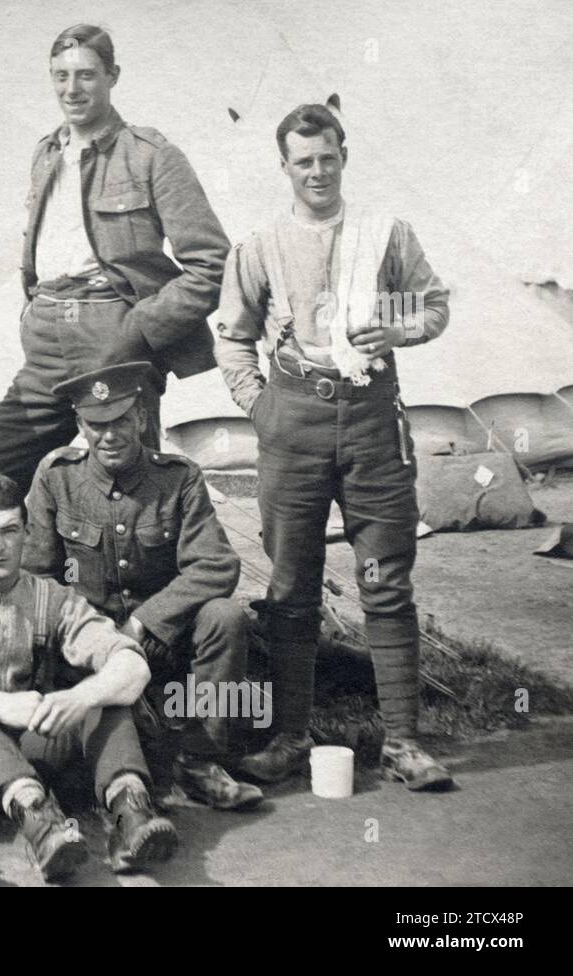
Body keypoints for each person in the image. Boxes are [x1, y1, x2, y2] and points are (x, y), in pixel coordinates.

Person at [0, 23, 230, 578]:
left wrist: (137, 333)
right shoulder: (45, 154)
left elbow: (211, 265)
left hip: (115, 344)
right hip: (45, 348)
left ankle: (139, 646)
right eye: (61, 76)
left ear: (112, 77)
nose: (72, 88)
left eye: (87, 74)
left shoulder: (151, 155)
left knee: (133, 515)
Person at [213, 102, 453, 790]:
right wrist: (259, 406)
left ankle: (404, 742)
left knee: (385, 577)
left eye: (327, 158)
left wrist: (399, 330)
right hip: (292, 415)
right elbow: (232, 333)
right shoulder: (259, 244)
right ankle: (291, 736)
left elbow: (434, 303)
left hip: (374, 416)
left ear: (344, 156)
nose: (316, 172)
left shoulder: (386, 233)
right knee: (290, 585)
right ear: (284, 167)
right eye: (302, 161)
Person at [0, 474, 177, 883]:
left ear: (27, 531)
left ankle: (131, 814)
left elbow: (132, 665)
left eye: (9, 530)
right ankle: (40, 823)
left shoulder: (52, 597)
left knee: (103, 693)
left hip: (33, 746)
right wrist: (0, 704)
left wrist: (81, 697)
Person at [22, 363, 264, 811]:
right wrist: (85, 633)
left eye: (120, 422)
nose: (109, 435)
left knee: (223, 617)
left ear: (141, 420)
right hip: (85, 643)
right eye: (96, 424)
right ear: (80, 425)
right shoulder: (57, 476)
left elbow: (216, 565)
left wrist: (142, 623)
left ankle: (201, 761)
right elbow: (37, 575)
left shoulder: (177, 478)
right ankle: (125, 773)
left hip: (160, 638)